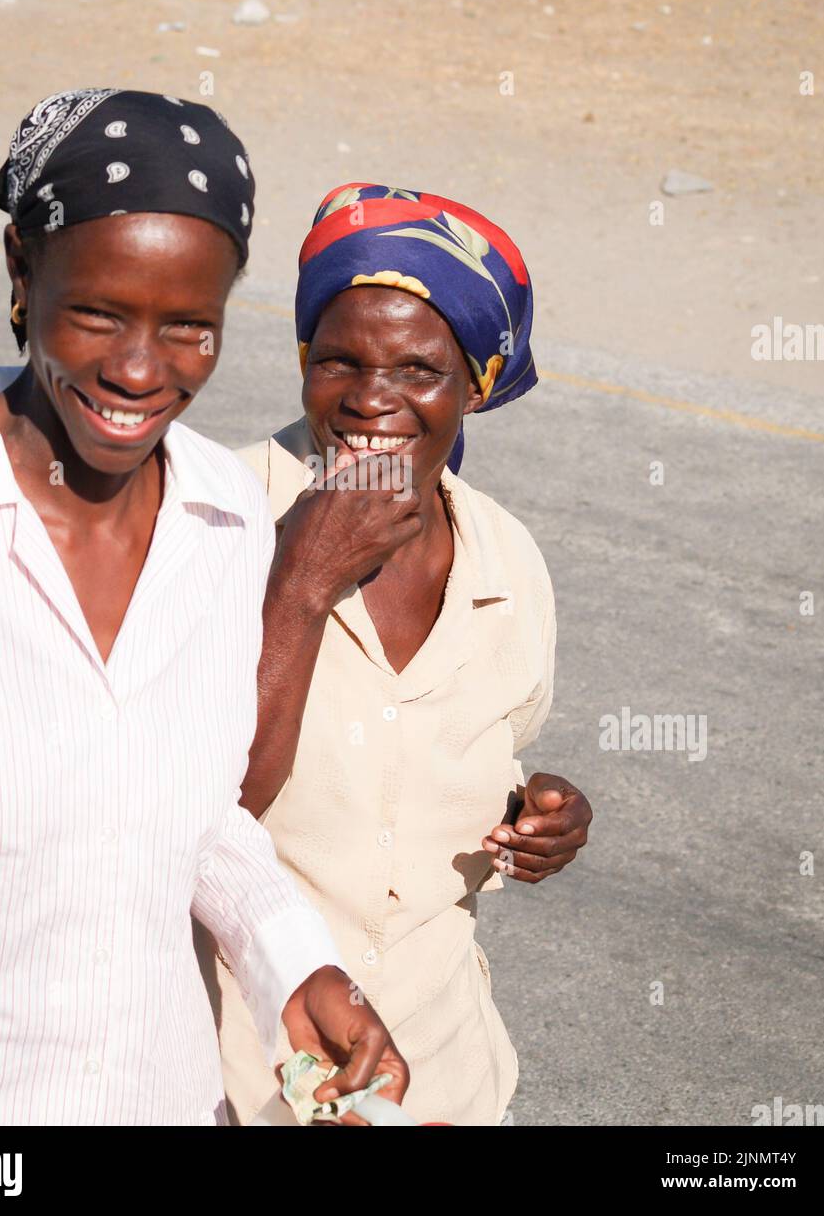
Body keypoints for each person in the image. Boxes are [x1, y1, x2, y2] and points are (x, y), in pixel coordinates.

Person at [0, 94, 407, 1126]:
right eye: (98, 314)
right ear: (23, 274)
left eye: (189, 328)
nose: (139, 370)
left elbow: (199, 810)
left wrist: (292, 971)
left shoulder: (224, 515)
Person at [197, 183, 592, 1126]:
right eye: (338, 360)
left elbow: (433, 763)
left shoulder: (506, 561)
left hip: (438, 1070)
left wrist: (537, 817)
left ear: (475, 383)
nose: (371, 400)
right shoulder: (209, 517)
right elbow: (198, 806)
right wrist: (299, 581)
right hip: (231, 1070)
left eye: (419, 371)